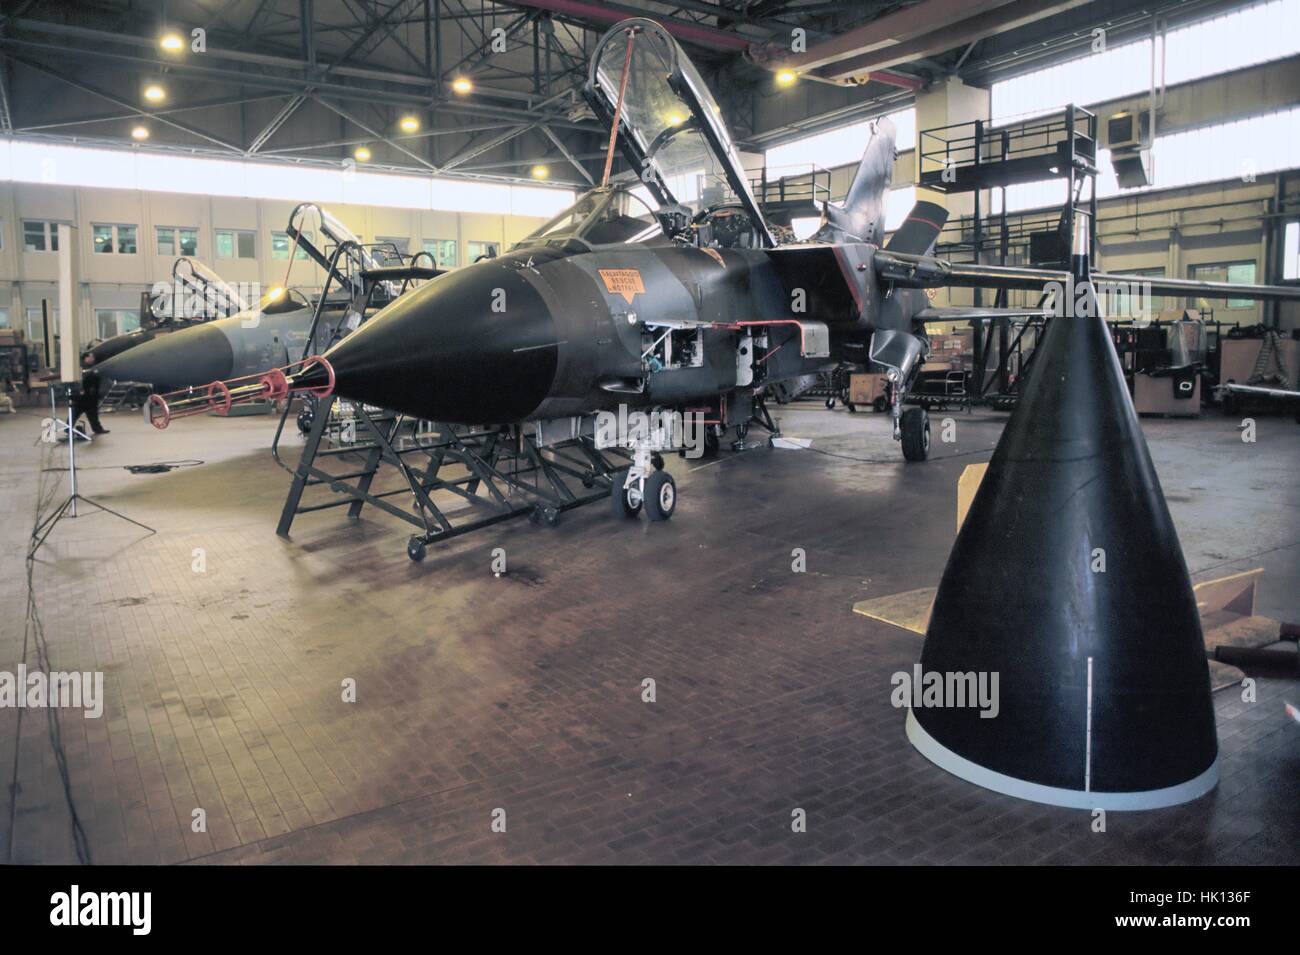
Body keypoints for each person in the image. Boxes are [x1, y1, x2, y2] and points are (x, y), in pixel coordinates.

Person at [71, 369, 109, 435]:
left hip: (84, 401)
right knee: (92, 417)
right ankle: (97, 429)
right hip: (86, 401)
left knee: (74, 416)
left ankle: (67, 429)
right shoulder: (95, 379)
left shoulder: (91, 379)